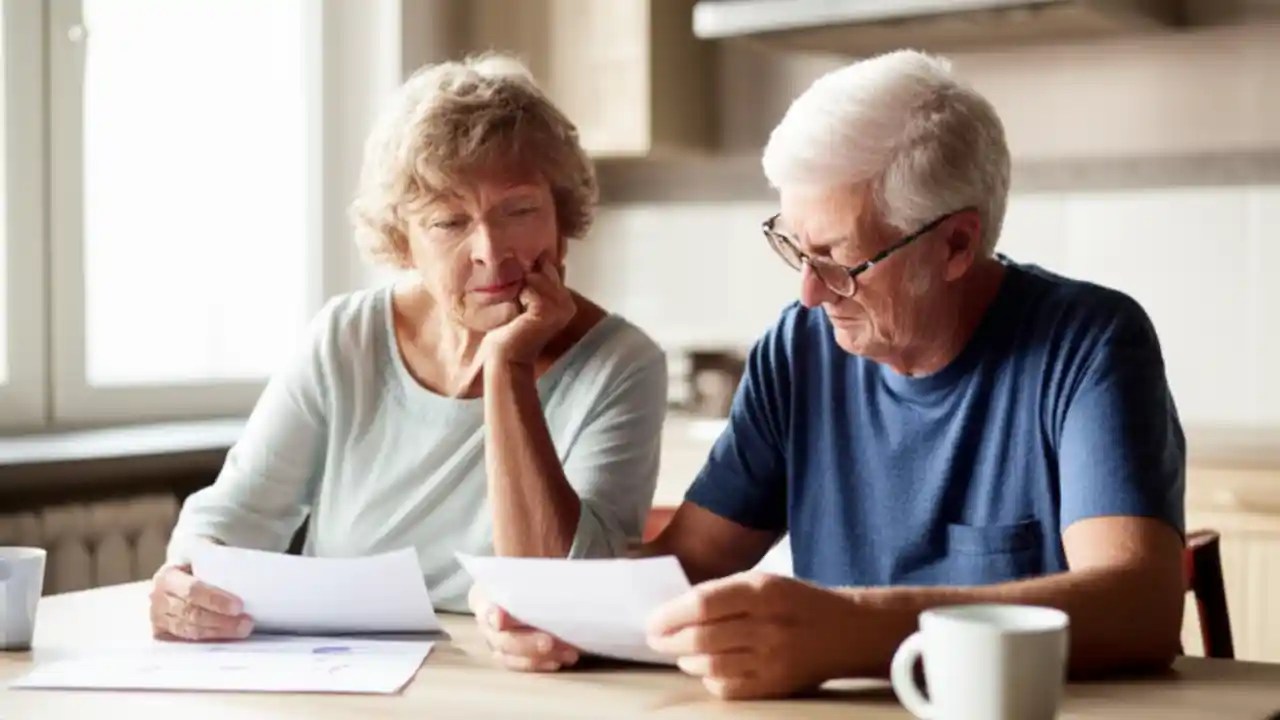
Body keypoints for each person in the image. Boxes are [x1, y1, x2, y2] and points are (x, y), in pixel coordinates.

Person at [472, 49, 1186, 699]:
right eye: (793, 247)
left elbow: (1138, 605)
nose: (809, 293)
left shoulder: (1088, 342)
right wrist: (554, 614)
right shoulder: (800, 347)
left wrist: (849, 628)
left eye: (838, 261)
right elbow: (685, 565)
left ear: (957, 244)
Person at [148, 54, 667, 641]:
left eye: (518, 210)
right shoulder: (346, 338)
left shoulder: (622, 364)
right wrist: (188, 577)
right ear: (403, 242)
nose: (490, 252)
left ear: (560, 219)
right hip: (342, 674)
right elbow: (233, 520)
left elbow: (573, 592)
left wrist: (508, 364)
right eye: (449, 223)